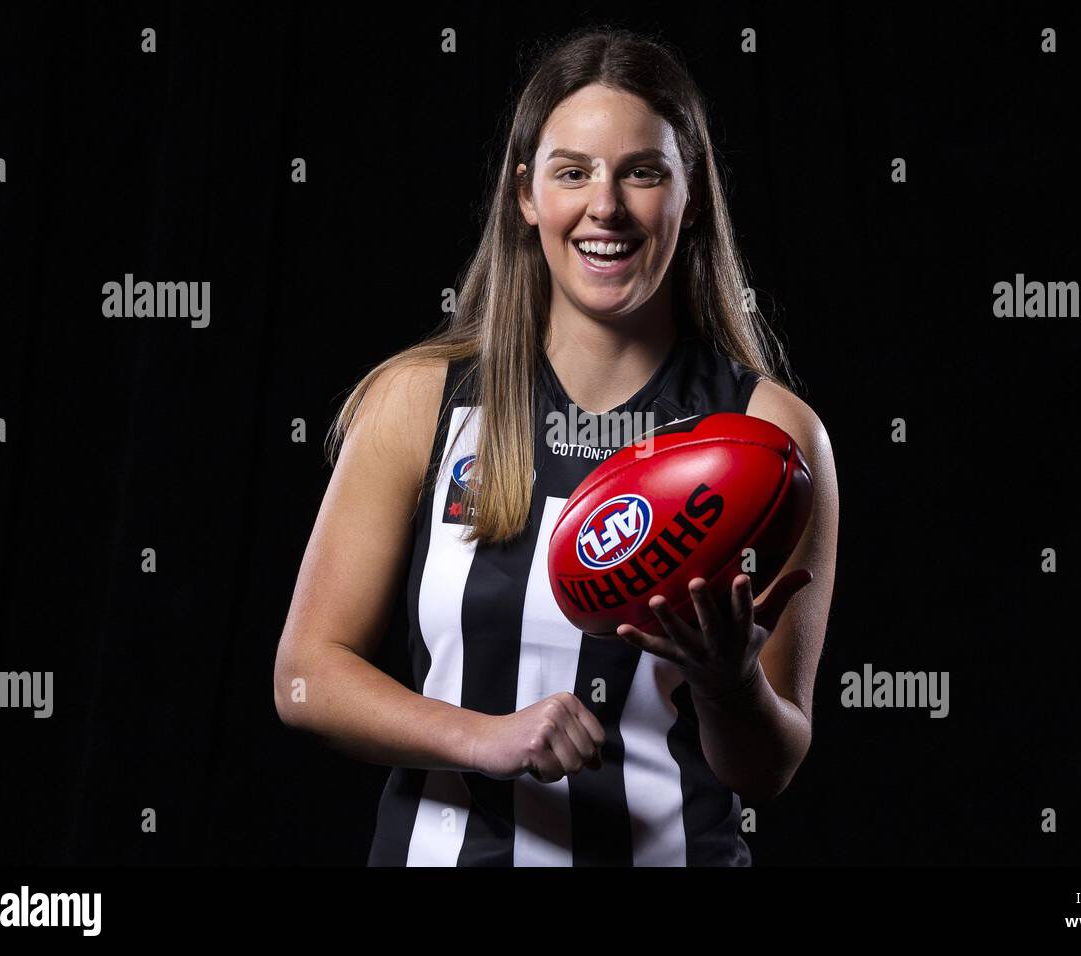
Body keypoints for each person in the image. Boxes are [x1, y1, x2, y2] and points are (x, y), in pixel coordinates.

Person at [273, 26, 838, 866]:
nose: (603, 206)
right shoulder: (420, 402)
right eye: (572, 171)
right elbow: (305, 676)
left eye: (642, 172)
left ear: (692, 197)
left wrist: (731, 684)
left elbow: (770, 767)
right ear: (526, 194)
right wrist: (483, 738)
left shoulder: (770, 438)